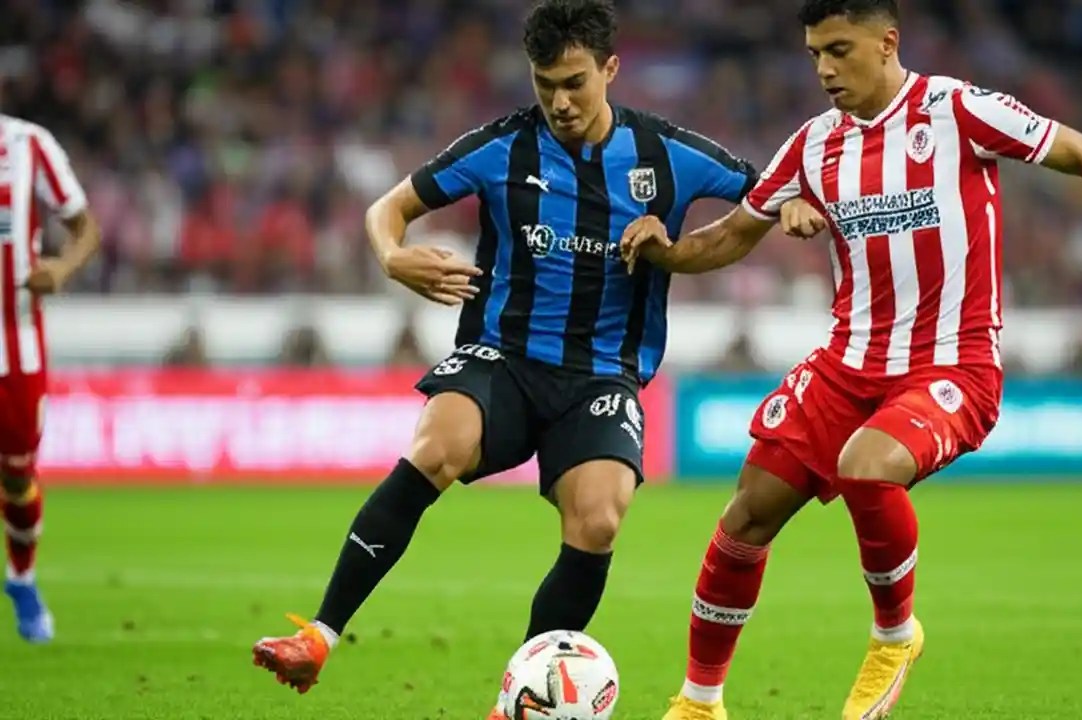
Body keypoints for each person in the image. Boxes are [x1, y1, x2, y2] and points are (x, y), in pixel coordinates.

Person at [619, 1, 1082, 718]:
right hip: (847, 364)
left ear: (887, 41)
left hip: (952, 367)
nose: (825, 69)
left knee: (868, 465)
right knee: (746, 516)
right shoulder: (812, 146)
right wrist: (663, 248)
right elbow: (731, 237)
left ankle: (894, 636)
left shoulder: (957, 111)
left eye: (839, 49)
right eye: (813, 55)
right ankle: (700, 702)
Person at [250, 1, 821, 713]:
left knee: (601, 518)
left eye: (575, 82)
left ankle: (517, 696)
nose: (559, 100)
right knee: (437, 444)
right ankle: (321, 636)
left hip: (600, 377)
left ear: (611, 69)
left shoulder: (667, 154)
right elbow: (385, 209)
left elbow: (776, 189)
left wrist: (796, 208)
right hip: (503, 359)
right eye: (545, 82)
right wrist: (393, 258)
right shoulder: (503, 147)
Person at [0, 113, 101, 643]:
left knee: (17, 477)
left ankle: (21, 578)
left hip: (16, 347)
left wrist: (61, 270)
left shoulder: (29, 144)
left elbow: (86, 229)